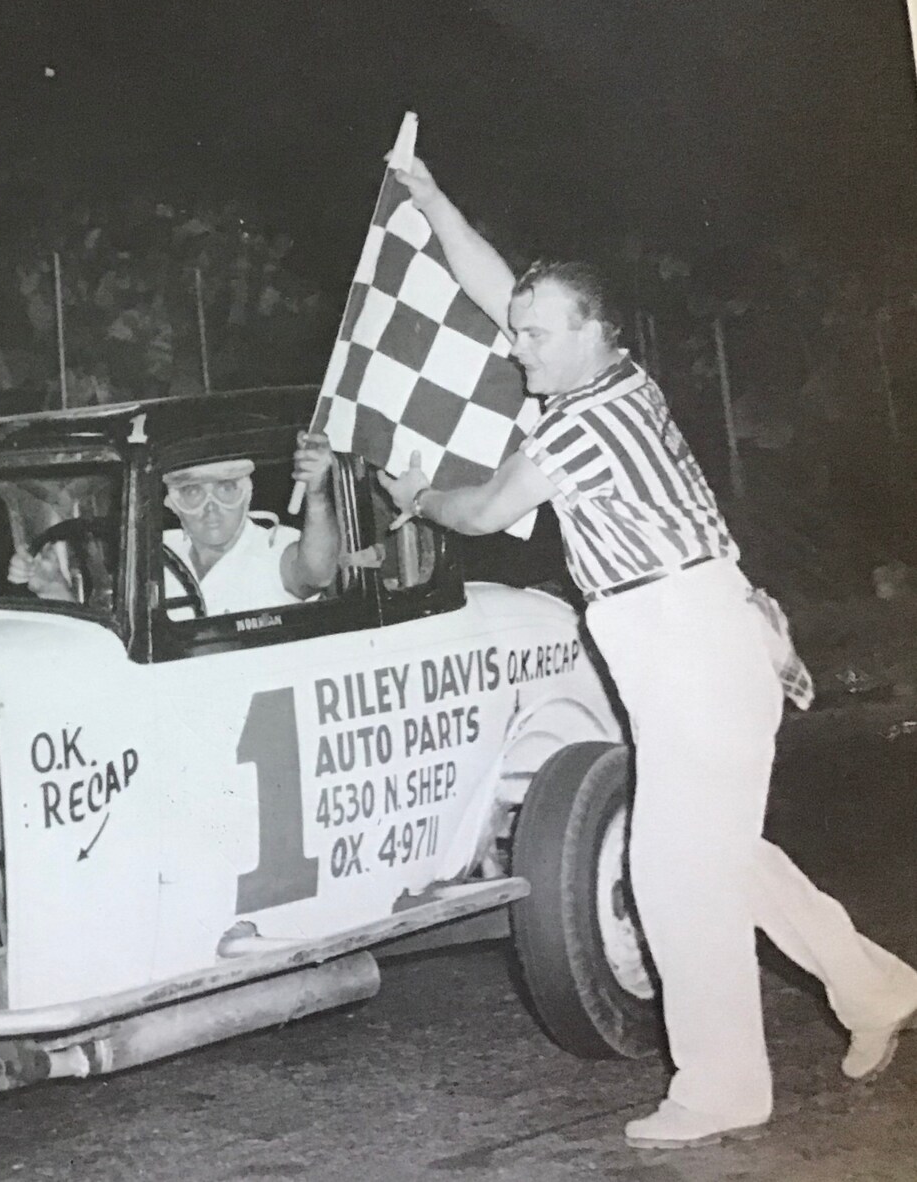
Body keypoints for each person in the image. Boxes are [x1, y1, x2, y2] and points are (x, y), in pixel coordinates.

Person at [380, 158, 917, 1150]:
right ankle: (872, 983)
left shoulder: (585, 421)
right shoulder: (609, 372)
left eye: (535, 334)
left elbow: (490, 508)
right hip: (687, 636)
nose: (515, 344)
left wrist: (417, 496)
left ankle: (722, 1085)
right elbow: (498, 285)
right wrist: (429, 197)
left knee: (671, 871)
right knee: (715, 852)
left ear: (592, 329)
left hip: (688, 645)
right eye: (519, 329)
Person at [10, 432, 340, 614]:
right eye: (193, 492)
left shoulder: (274, 545)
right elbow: (112, 649)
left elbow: (317, 571)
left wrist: (317, 492)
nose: (211, 508)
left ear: (247, 494)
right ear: (172, 503)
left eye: (226, 490)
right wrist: (53, 586)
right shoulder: (154, 553)